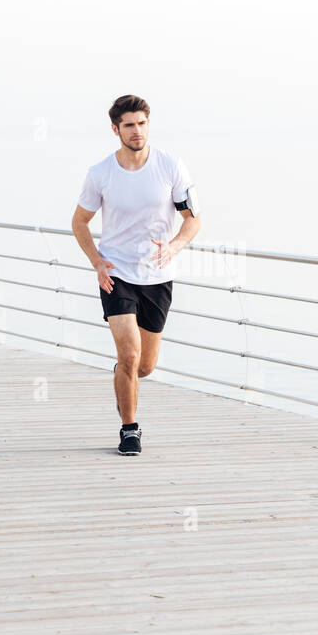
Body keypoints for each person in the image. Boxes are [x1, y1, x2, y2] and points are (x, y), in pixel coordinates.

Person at [70, 94, 202, 455]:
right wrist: (97, 261)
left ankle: (123, 380)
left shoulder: (171, 166)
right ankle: (129, 429)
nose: (136, 131)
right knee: (128, 355)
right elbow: (80, 223)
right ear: (116, 130)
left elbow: (193, 220)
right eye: (128, 125)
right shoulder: (100, 173)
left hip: (158, 276)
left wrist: (174, 246)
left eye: (141, 123)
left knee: (143, 366)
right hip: (117, 273)